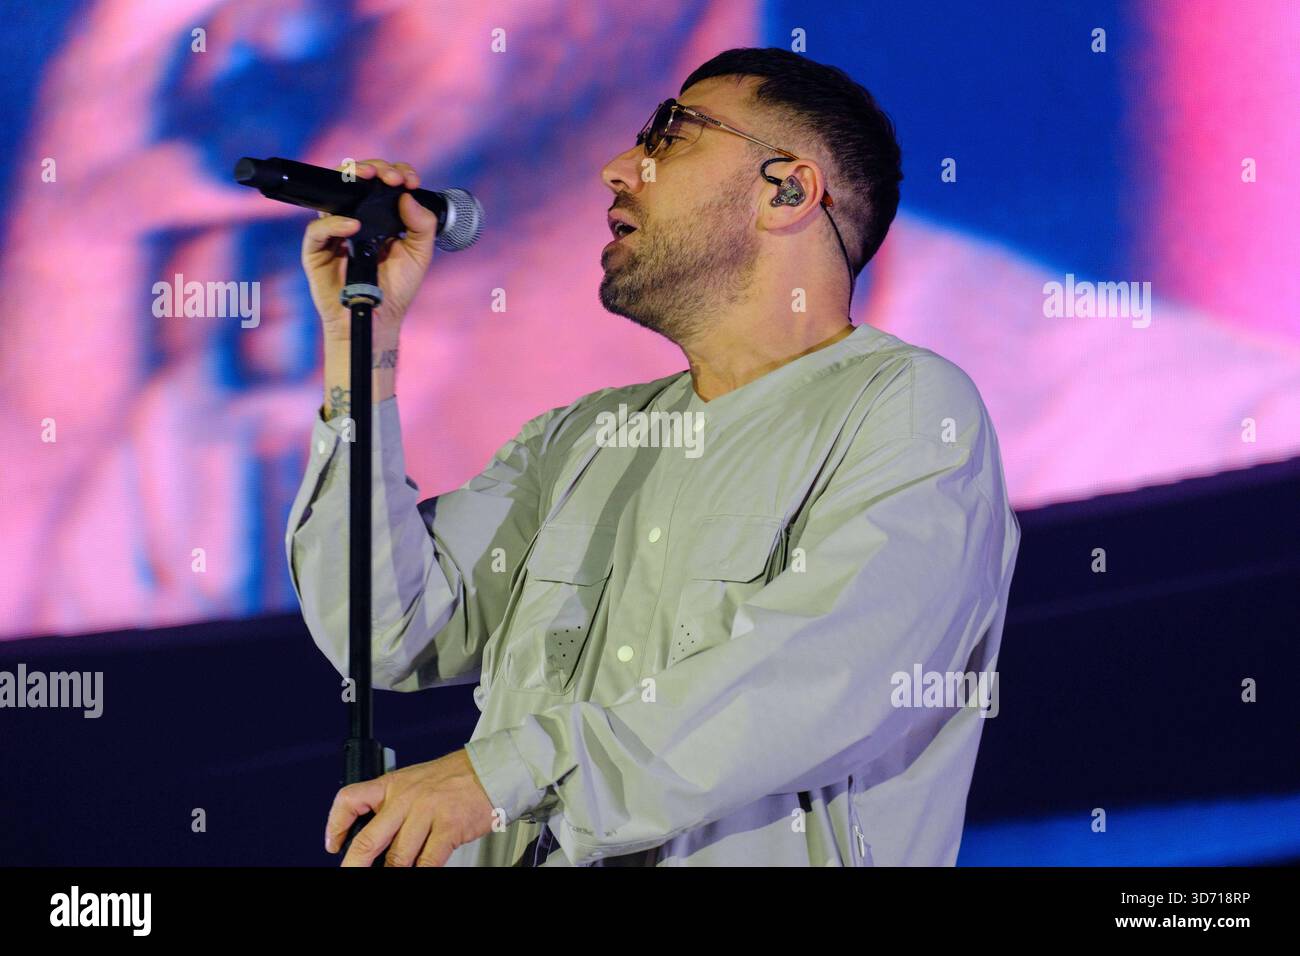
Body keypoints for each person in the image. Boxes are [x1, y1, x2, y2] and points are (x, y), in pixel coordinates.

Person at [287, 47, 1020, 867]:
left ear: (788, 191)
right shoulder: (580, 441)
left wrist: (503, 775)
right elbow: (388, 629)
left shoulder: (907, 408)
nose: (615, 168)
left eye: (669, 134)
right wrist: (364, 345)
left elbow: (819, 681)